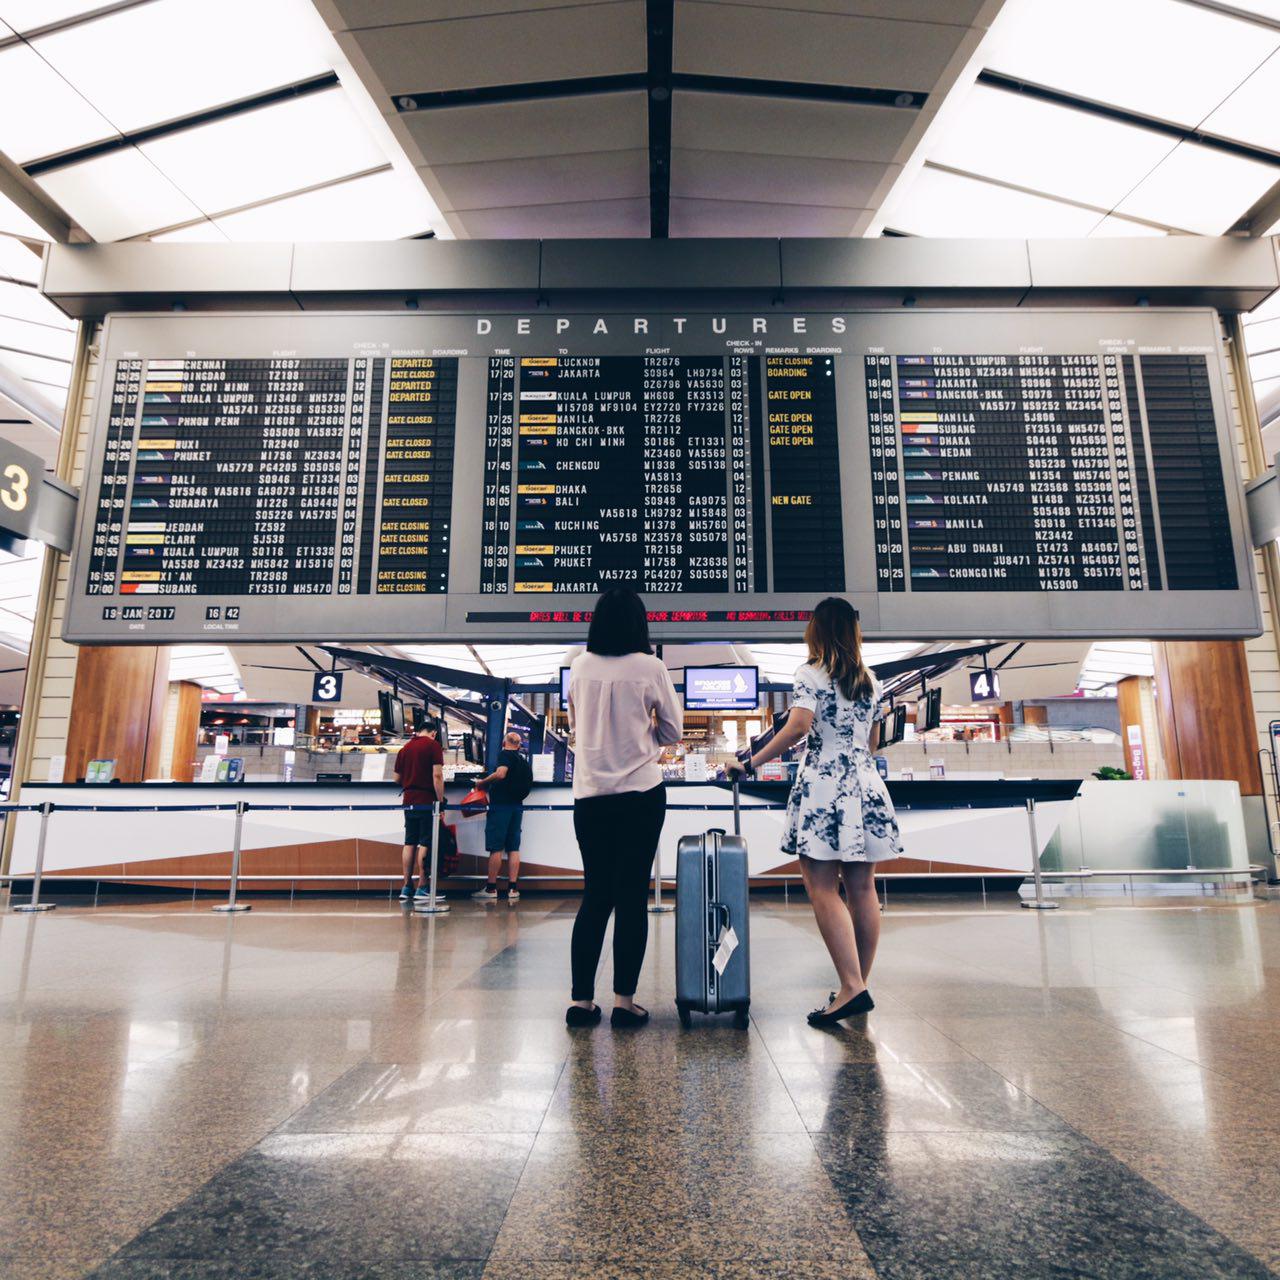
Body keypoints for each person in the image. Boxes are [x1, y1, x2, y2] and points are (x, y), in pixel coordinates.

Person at [729, 597, 902, 1026]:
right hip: (865, 783)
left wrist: (750, 762)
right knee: (862, 888)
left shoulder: (809, 673)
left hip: (825, 786)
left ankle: (851, 987)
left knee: (822, 887)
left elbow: (799, 727)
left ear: (817, 630)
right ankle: (856, 985)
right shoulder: (872, 680)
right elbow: (872, 743)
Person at [565, 587, 682, 1030]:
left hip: (590, 795)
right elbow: (672, 731)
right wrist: (643, 735)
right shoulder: (651, 667)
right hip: (640, 794)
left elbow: (575, 727)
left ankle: (581, 1002)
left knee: (595, 895)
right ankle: (624, 1003)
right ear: (639, 623)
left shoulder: (579, 666)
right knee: (632, 896)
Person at [472, 730, 533, 904]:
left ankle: (491, 888)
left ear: (504, 743)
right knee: (513, 847)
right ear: (519, 745)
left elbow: (500, 774)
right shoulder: (523, 761)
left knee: (496, 847)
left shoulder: (505, 755)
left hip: (500, 806)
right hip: (516, 806)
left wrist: (482, 783)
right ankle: (512, 888)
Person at [392, 717, 444, 904]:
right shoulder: (433, 746)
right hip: (426, 800)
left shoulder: (405, 748)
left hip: (409, 800)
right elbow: (437, 775)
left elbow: (396, 778)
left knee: (410, 842)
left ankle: (407, 886)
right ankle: (422, 886)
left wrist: (410, 779)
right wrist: (440, 801)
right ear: (433, 733)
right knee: (425, 842)